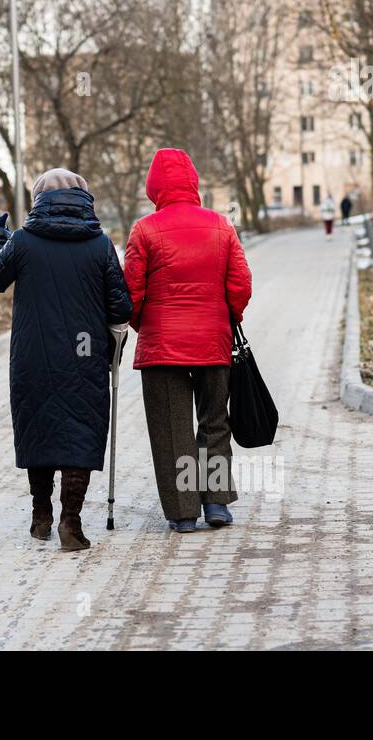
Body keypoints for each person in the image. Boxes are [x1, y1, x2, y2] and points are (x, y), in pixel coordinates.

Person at [0, 168, 132, 552]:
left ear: (38, 200)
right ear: (86, 199)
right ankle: (70, 522)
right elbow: (121, 306)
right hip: (84, 355)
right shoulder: (99, 244)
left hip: (33, 357)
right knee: (80, 430)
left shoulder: (24, 241)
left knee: (39, 428)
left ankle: (40, 517)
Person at [122, 149, 251, 534]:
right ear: (194, 182)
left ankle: (183, 512)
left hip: (162, 346)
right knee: (214, 420)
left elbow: (131, 292)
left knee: (171, 426)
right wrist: (228, 318)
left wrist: (143, 324)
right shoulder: (221, 226)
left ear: (153, 188)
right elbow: (241, 285)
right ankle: (215, 502)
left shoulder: (144, 230)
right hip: (213, 340)